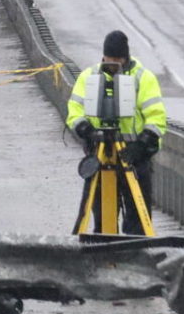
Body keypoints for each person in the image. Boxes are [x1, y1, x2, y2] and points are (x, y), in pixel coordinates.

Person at [65, 30, 167, 235]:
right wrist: (84, 129)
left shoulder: (143, 78)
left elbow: (156, 118)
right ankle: (104, 255)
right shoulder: (89, 77)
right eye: (107, 60)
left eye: (116, 62)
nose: (111, 66)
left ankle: (136, 254)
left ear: (125, 58)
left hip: (133, 155)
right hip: (100, 152)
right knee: (102, 217)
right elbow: (74, 110)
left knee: (137, 219)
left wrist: (141, 144)